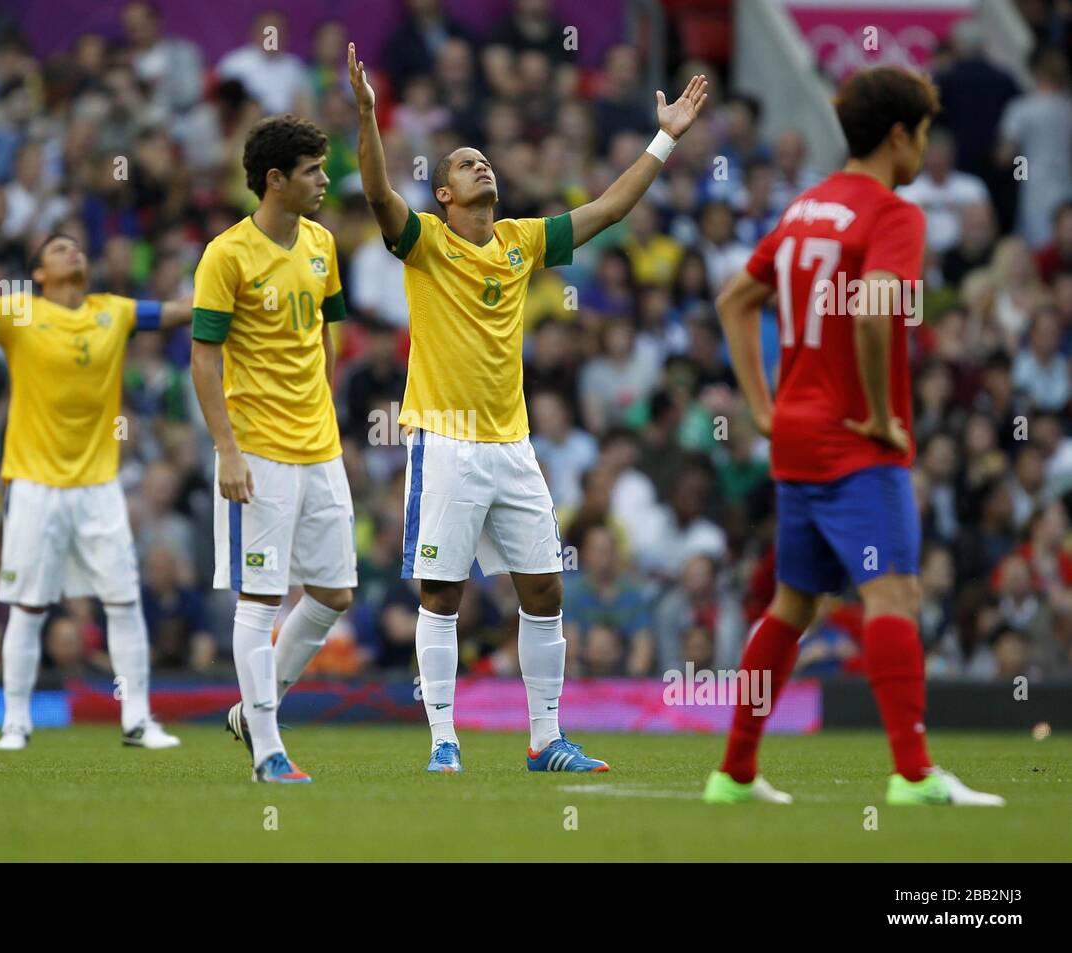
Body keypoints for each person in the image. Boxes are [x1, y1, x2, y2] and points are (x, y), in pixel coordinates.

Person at [348, 41, 706, 773]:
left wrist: (666, 135)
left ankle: (545, 738)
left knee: (544, 587)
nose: (483, 166)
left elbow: (609, 207)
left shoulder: (520, 243)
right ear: (444, 194)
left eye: (486, 160)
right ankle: (444, 737)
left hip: (512, 446)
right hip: (445, 441)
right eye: (466, 163)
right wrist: (367, 118)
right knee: (442, 593)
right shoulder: (425, 245)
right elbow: (380, 196)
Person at [709, 65, 1003, 806]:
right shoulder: (893, 214)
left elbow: (734, 299)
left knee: (793, 604)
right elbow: (876, 313)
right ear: (901, 135)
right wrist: (878, 412)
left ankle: (734, 773)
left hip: (797, 438)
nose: (925, 148)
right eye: (926, 133)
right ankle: (913, 775)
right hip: (853, 442)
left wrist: (764, 404)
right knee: (894, 594)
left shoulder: (806, 207)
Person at [0, 203, 193, 751]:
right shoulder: (19, 312)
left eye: (75, 245)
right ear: (40, 273)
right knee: (27, 605)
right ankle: (16, 721)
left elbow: (183, 311)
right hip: (33, 484)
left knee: (122, 601)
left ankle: (137, 720)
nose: (72, 249)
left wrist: (236, 280)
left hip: (99, 486)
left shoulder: (113, 311)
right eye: (57, 248)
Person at [190, 114, 356, 784]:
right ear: (275, 179)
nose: (324, 179)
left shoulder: (321, 242)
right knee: (260, 598)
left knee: (334, 593)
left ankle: (251, 711)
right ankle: (268, 749)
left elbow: (329, 332)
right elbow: (203, 359)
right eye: (312, 170)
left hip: (319, 447)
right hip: (257, 449)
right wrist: (226, 449)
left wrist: (319, 396)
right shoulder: (226, 255)